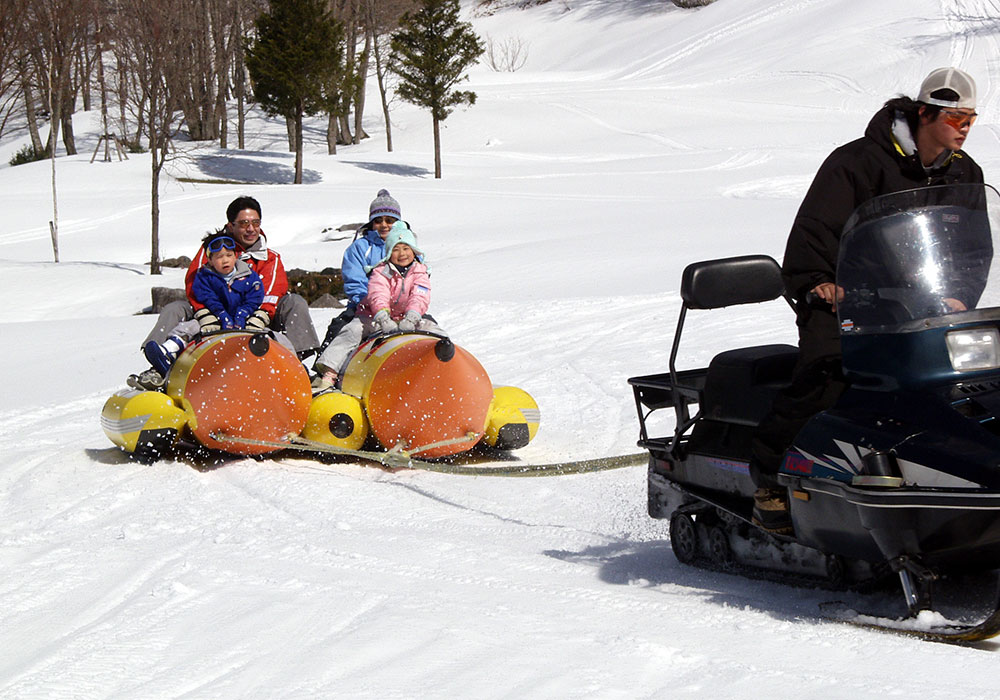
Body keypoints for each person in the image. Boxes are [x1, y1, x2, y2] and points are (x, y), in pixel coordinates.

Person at [750, 67, 985, 534]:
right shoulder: (856, 162)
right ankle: (770, 481)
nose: (964, 129)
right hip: (847, 302)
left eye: (970, 120)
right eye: (956, 119)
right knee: (827, 376)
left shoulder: (965, 172)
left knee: (968, 383)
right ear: (925, 114)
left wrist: (961, 294)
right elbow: (815, 230)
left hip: (925, 305)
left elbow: (975, 248)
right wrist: (818, 281)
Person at [130, 196, 319, 389]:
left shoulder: (270, 259)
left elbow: (272, 292)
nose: (251, 229)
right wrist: (205, 314)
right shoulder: (211, 250)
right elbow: (194, 285)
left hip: (255, 317)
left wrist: (258, 317)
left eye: (255, 223)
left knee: (294, 302)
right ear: (231, 225)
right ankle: (159, 366)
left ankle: (296, 367)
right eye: (244, 223)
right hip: (210, 314)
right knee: (175, 308)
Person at [312, 221, 445, 393]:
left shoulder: (420, 271)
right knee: (352, 331)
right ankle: (329, 373)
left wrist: (412, 316)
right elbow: (378, 294)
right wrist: (383, 317)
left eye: (406, 248)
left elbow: (420, 296)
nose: (402, 254)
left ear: (414, 250)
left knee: (432, 329)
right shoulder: (380, 271)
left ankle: (446, 362)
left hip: (408, 316)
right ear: (388, 252)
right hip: (373, 316)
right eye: (396, 249)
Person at [142, 232, 265, 375]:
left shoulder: (248, 275)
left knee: (264, 333)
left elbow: (255, 297)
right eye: (219, 257)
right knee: (189, 328)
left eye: (229, 255)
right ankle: (168, 351)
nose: (225, 260)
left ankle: (278, 363)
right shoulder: (205, 277)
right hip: (213, 318)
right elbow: (207, 298)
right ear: (210, 260)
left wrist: (243, 314)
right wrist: (220, 314)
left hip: (244, 319)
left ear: (235, 256)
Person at [319, 189, 405, 351]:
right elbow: (355, 283)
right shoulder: (359, 248)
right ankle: (325, 364)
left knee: (431, 328)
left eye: (389, 220)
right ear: (371, 223)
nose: (384, 225)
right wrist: (375, 305)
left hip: (402, 309)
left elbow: (417, 278)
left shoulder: (407, 248)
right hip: (364, 308)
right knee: (338, 331)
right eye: (378, 220)